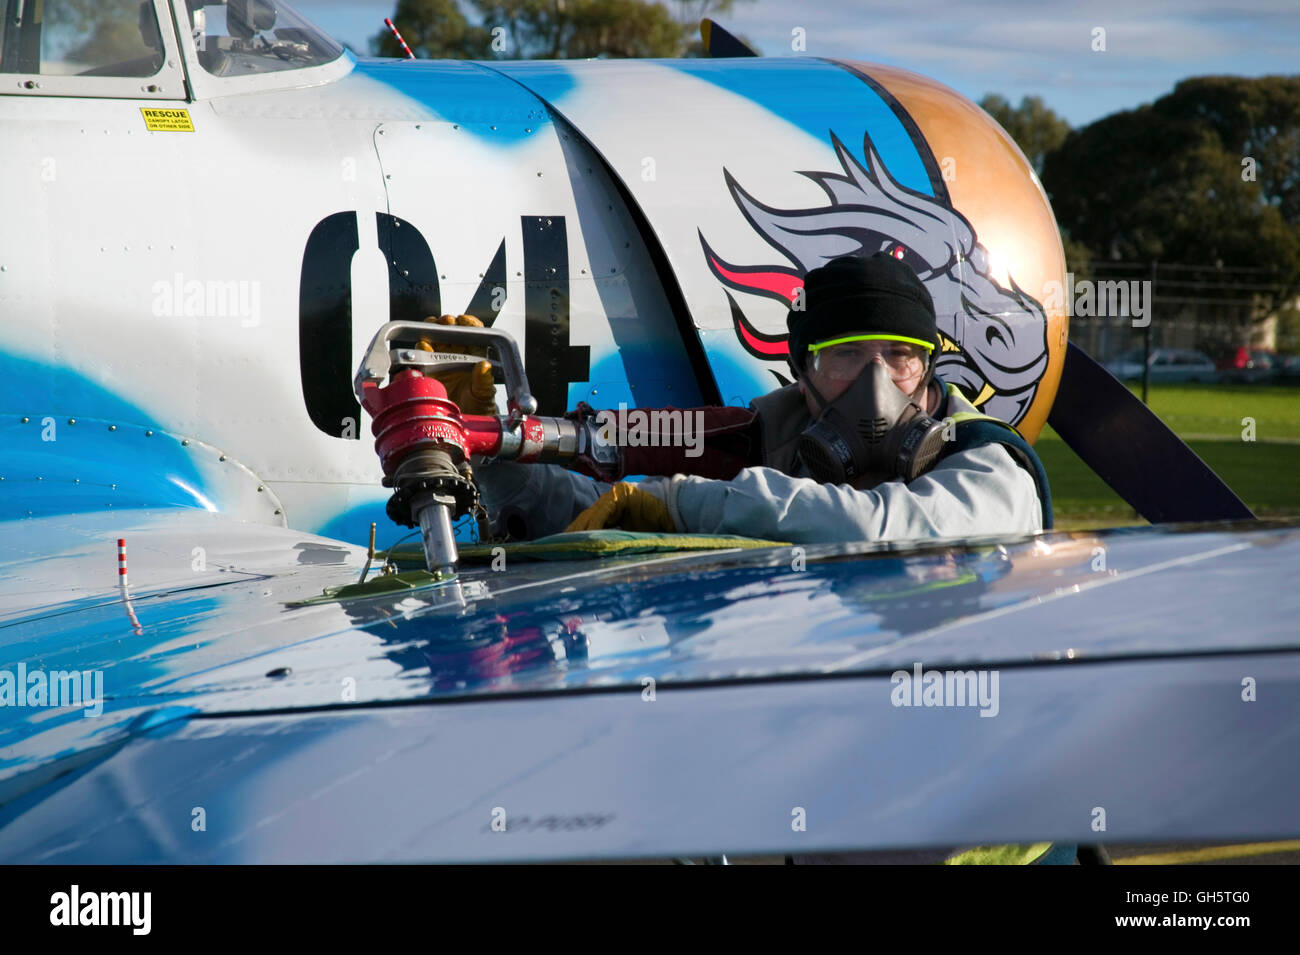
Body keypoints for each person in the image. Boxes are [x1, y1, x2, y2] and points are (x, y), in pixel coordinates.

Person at [433, 252, 1050, 544]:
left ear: (930, 367)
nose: (877, 383)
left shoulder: (989, 465)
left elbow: (882, 528)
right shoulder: (759, 438)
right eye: (845, 357)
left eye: (900, 356)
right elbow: (592, 516)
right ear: (800, 370)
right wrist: (499, 456)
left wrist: (683, 503)